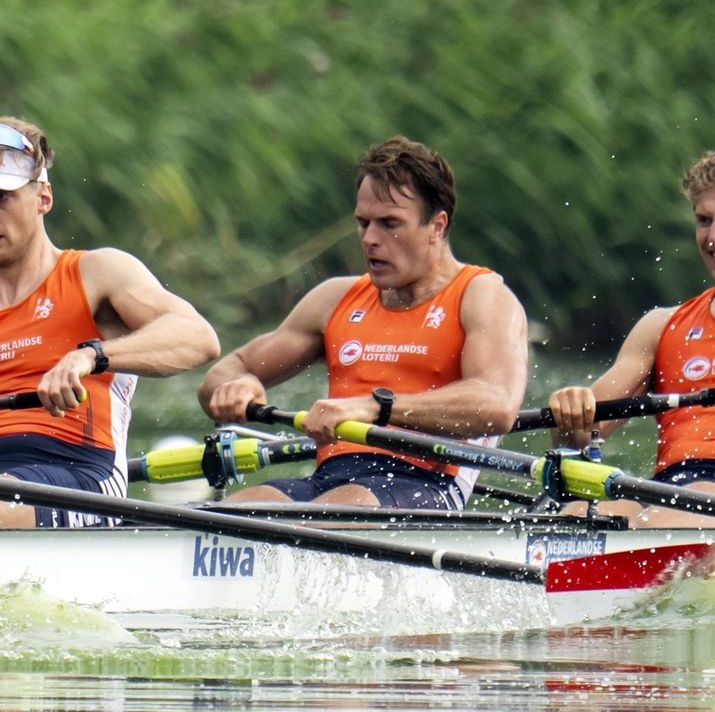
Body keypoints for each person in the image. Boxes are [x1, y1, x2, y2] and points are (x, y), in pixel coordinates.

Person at [198, 135, 529, 510]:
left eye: (390, 224)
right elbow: (223, 373)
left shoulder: (481, 296)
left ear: (437, 226)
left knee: (335, 509)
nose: (370, 239)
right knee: (236, 510)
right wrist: (237, 385)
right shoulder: (335, 298)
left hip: (428, 483)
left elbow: (497, 405)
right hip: (331, 478)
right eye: (363, 223)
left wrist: (376, 409)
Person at [548, 139, 715, 527]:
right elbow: (579, 439)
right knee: (577, 517)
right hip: (669, 493)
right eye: (704, 220)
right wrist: (570, 416)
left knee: (695, 504)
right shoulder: (662, 326)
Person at [0, 116, 220, 528]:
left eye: (2, 198)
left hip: (83, 475)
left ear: (42, 196)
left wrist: (90, 356)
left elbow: (197, 338)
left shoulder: (97, 273)